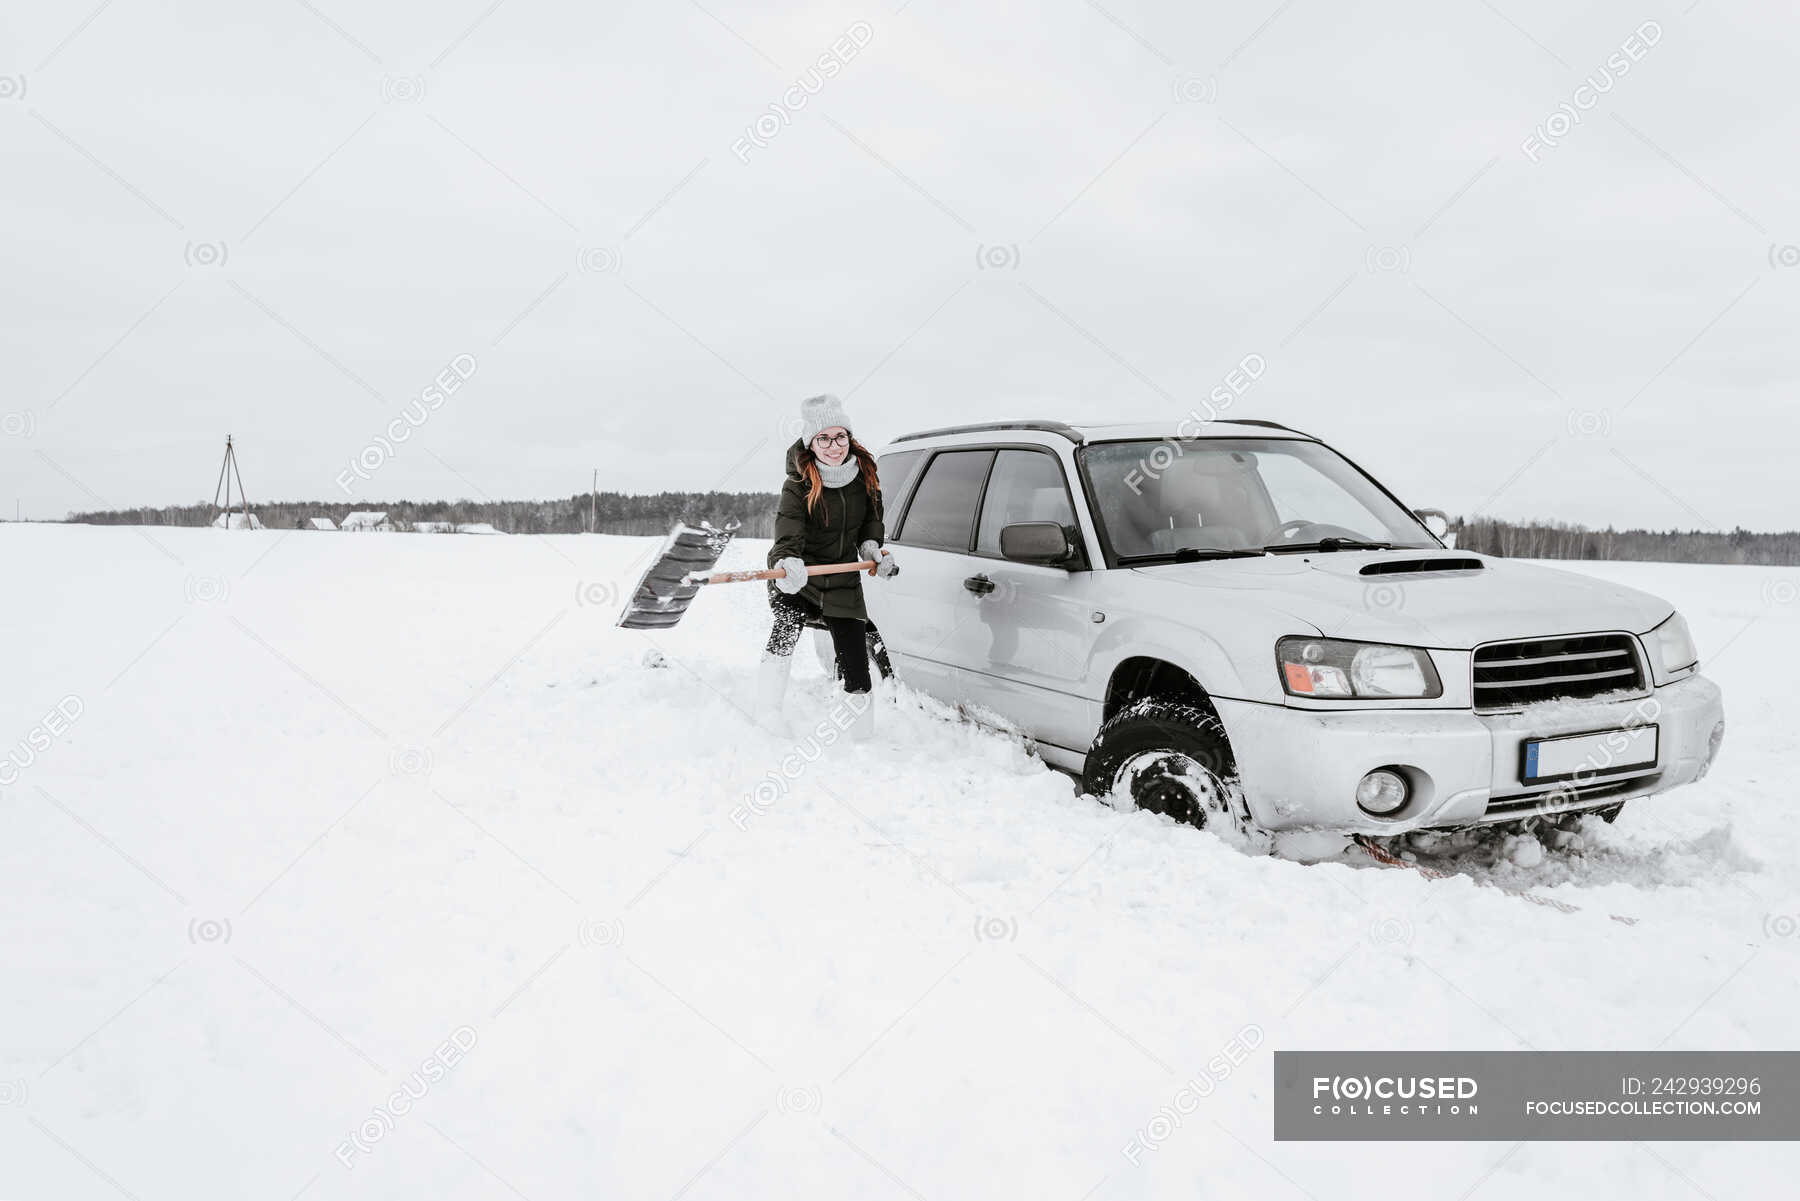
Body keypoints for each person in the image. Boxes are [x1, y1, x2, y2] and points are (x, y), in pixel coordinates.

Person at [758, 394, 899, 739]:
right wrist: (788, 562)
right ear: (811, 442)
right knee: (787, 624)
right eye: (823, 438)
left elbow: (871, 523)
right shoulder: (798, 484)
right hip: (797, 573)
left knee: (855, 659)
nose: (833, 446)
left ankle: (862, 738)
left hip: (841, 576)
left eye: (840, 437)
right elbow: (788, 529)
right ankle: (767, 712)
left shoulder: (866, 477)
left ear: (849, 438)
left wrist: (871, 549)